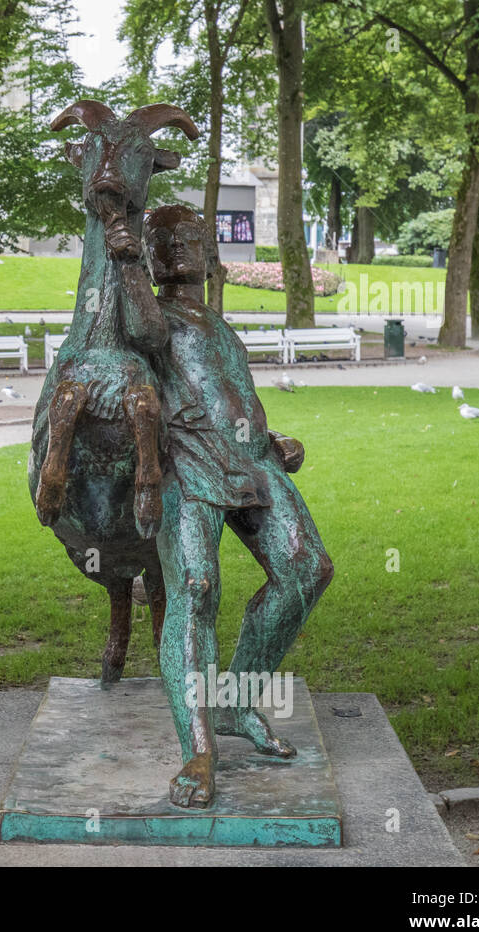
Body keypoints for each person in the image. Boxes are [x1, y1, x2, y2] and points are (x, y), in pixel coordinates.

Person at [141, 204, 333, 809]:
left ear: (210, 250)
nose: (178, 248)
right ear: (148, 254)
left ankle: (235, 698)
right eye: (163, 239)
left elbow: (232, 393)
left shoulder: (218, 326)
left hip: (253, 462)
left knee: (308, 569)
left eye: (191, 237)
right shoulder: (144, 320)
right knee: (195, 589)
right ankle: (198, 751)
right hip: (187, 460)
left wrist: (274, 440)